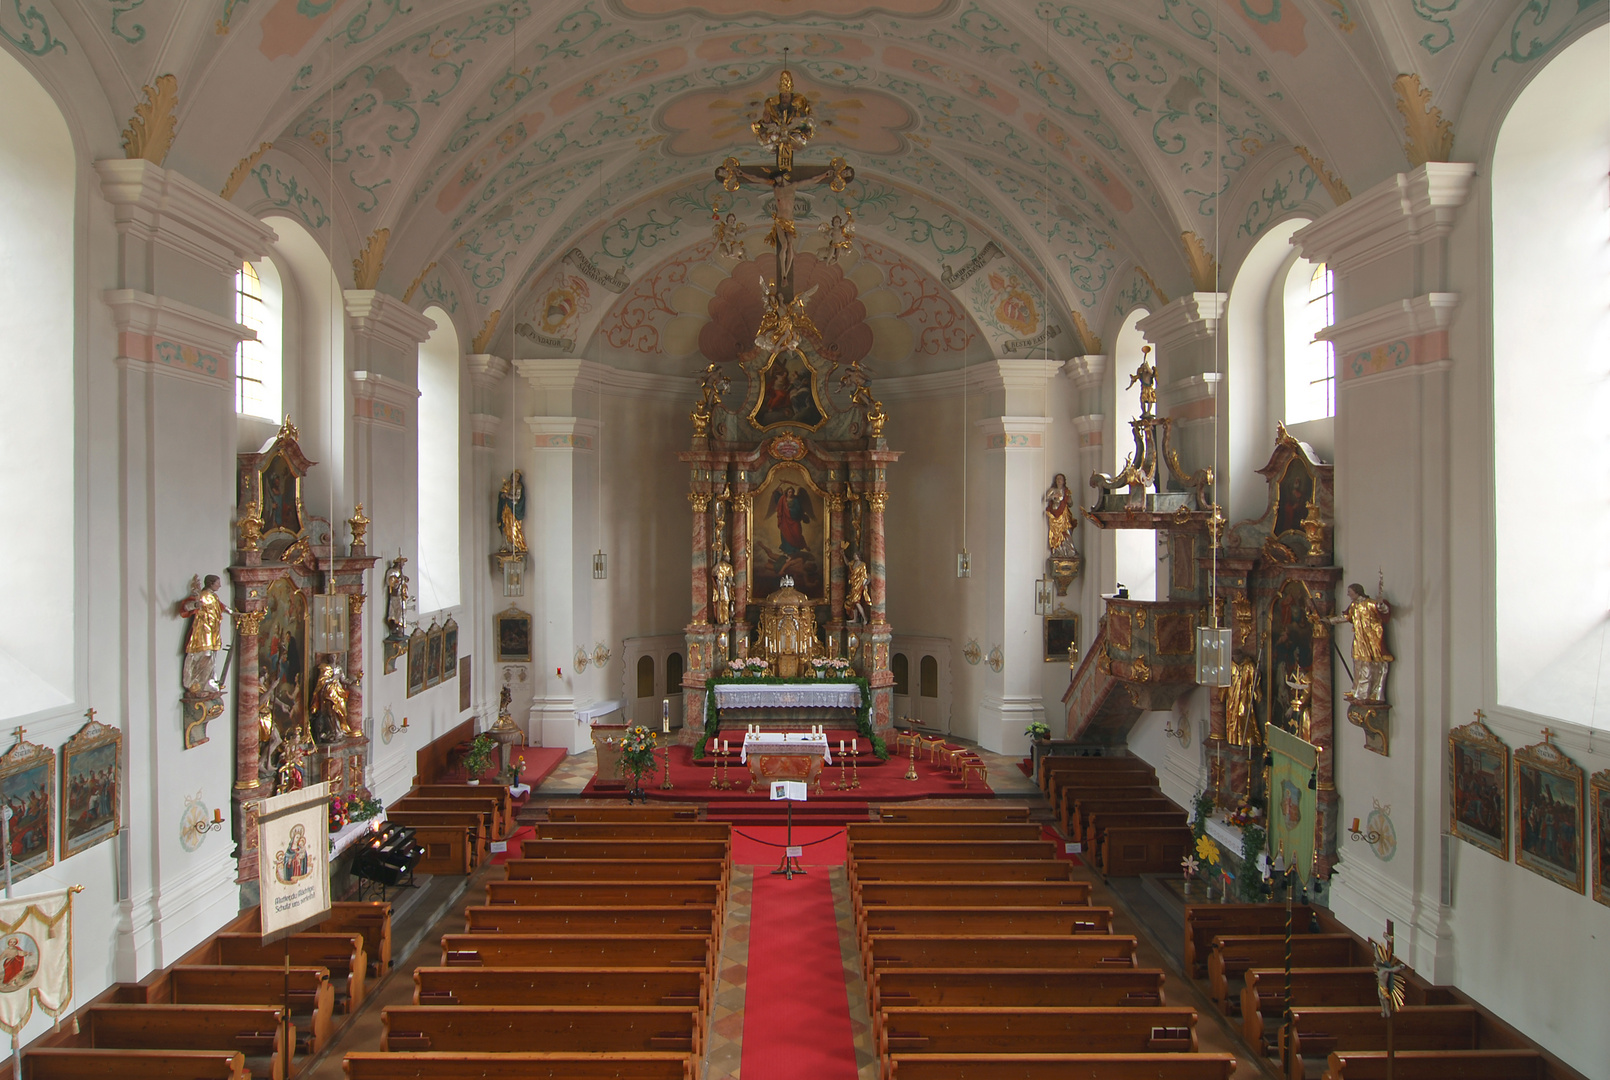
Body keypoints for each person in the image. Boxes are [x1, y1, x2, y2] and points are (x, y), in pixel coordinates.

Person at [1328, 582, 1393, 702]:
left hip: (1371, 640)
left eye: (1350, 592)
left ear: (1357, 592)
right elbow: (1346, 617)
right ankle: (1357, 690)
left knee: (1368, 665)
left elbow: (1383, 610)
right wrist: (1330, 621)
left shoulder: (1370, 604)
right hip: (1359, 639)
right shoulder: (1354, 605)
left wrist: (1381, 604)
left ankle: (1366, 693)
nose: (1348, 594)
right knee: (1358, 664)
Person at [179, 574, 231, 696]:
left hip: (213, 632)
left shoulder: (214, 597)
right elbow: (186, 607)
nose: (220, 585)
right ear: (211, 583)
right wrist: (196, 605)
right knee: (203, 657)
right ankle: (196, 684)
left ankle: (208, 683)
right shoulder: (201, 596)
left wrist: (233, 612)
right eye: (218, 583)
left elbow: (222, 607)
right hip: (202, 632)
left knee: (211, 659)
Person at [1044, 473, 1077, 556]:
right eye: (1057, 479)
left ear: (1063, 481)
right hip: (1055, 514)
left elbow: (1071, 504)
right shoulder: (1053, 490)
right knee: (1056, 533)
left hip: (1064, 515)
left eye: (1061, 479)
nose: (1059, 481)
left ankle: (1069, 551)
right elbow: (1046, 498)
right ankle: (1058, 551)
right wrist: (1053, 496)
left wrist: (1069, 500)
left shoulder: (1066, 491)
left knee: (1066, 532)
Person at [497, 471, 527, 555]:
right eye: (514, 476)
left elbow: (517, 498)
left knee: (513, 526)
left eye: (517, 476)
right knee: (505, 525)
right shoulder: (508, 484)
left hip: (513, 509)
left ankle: (515, 545)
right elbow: (502, 494)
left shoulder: (519, 486)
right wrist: (503, 495)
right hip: (506, 508)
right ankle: (506, 545)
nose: (515, 478)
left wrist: (508, 496)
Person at [1126, 346, 1158, 417]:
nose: (1144, 368)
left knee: (1150, 400)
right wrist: (1129, 387)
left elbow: (1152, 373)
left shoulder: (1149, 373)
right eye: (1143, 367)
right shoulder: (1141, 375)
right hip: (1143, 389)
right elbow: (1134, 380)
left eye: (1145, 367)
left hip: (1149, 389)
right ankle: (1144, 411)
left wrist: (1147, 366)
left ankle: (1148, 412)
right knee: (1142, 401)